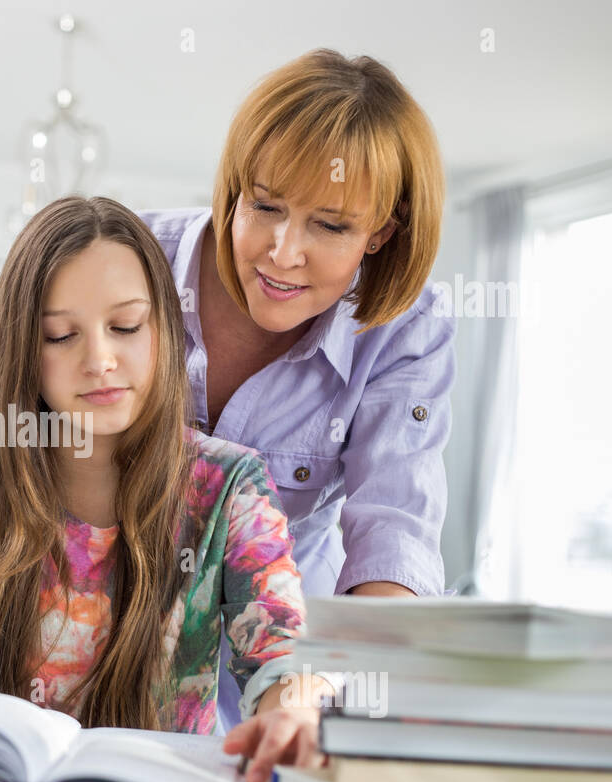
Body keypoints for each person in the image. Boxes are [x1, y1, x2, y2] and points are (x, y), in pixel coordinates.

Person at [0, 195, 332, 782]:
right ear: (23, 351)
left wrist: (293, 712)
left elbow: (279, 650)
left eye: (125, 327)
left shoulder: (230, 490)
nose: (100, 360)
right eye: (61, 335)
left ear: (164, 333)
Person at [135, 48, 456, 731]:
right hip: (103, 637)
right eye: (266, 205)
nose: (283, 252)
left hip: (285, 664)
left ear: (380, 232)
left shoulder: (406, 330)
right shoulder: (135, 263)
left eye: (331, 225)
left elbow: (393, 533)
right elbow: (15, 468)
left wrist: (349, 700)